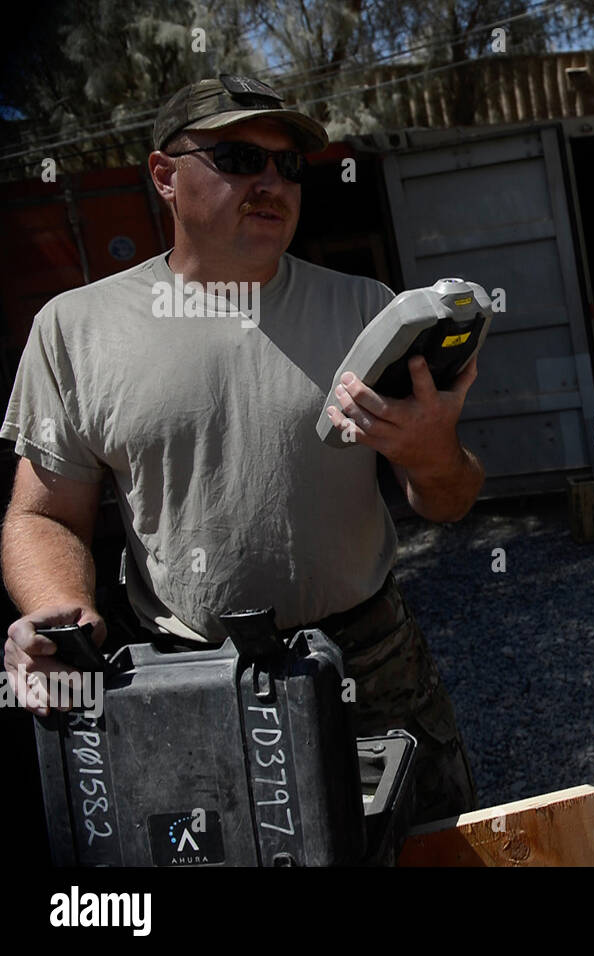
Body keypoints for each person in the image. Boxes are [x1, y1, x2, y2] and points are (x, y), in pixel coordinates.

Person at [1, 74, 482, 826]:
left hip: (370, 664)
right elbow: (42, 517)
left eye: (288, 166)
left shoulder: (366, 312)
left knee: (428, 850)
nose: (271, 183)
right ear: (165, 175)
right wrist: (58, 607)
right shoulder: (75, 330)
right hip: (189, 677)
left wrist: (433, 452)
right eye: (237, 158)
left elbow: (451, 502)